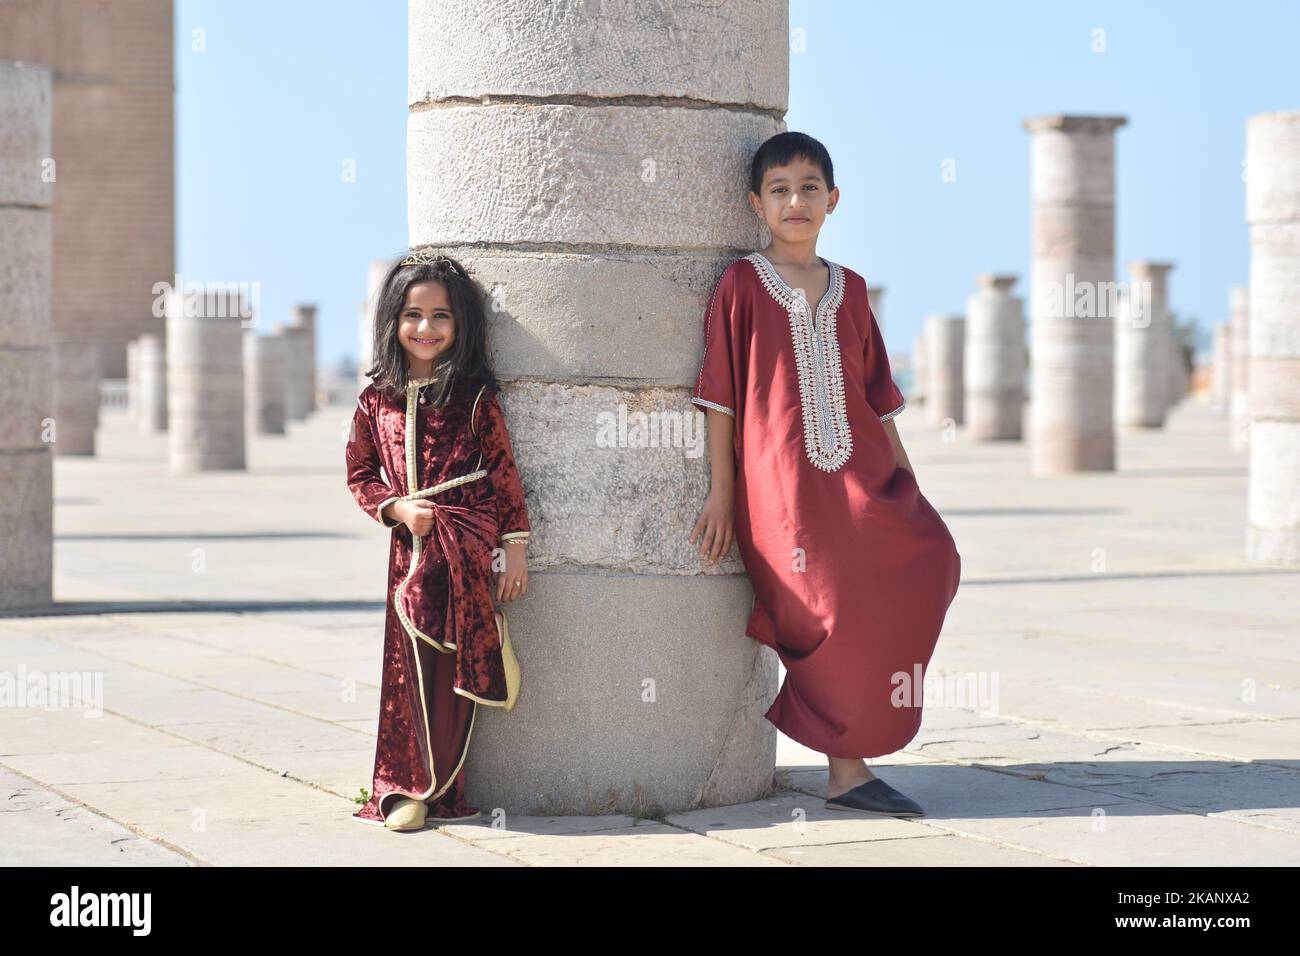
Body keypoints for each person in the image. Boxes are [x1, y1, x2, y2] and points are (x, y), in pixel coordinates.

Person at [689, 131, 962, 817]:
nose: (796, 201)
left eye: (809, 188)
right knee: (820, 612)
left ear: (833, 199)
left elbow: (879, 399)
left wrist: (907, 483)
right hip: (782, 493)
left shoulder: (852, 289)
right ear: (756, 204)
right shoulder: (742, 285)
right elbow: (720, 397)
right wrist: (722, 492)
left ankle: (851, 769)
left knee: (934, 558)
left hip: (861, 479)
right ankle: (847, 769)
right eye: (779, 190)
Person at [346, 250, 531, 832]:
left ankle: (443, 787)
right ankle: (402, 786)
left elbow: (504, 475)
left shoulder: (473, 396)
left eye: (441, 316)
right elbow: (360, 474)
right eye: (413, 315)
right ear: (392, 321)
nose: (425, 328)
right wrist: (396, 507)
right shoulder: (374, 400)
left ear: (461, 324)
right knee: (406, 666)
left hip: (466, 545)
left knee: (453, 660)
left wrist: (515, 549)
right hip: (409, 549)